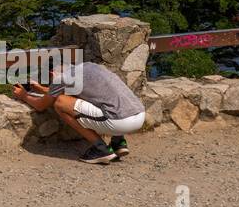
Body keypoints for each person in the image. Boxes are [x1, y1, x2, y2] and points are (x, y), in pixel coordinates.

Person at [11, 59, 146, 164]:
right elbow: (65, 90)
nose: (52, 84)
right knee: (103, 98)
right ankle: (118, 142)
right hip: (139, 115)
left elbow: (41, 105)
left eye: (51, 81)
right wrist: (40, 88)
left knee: (60, 103)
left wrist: (23, 95)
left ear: (52, 74)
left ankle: (101, 149)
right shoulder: (90, 67)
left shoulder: (60, 79)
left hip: (120, 121)